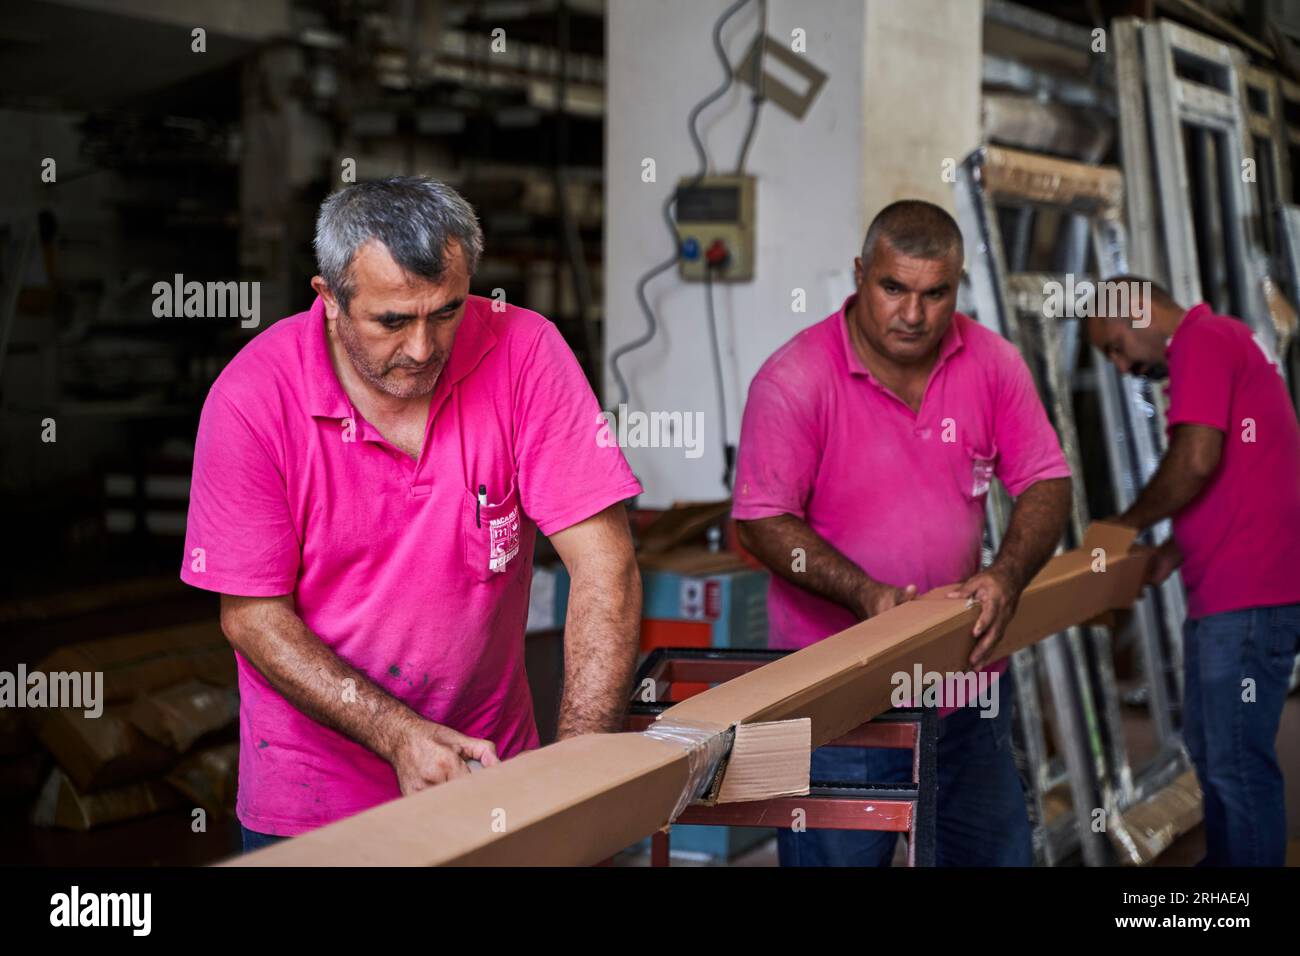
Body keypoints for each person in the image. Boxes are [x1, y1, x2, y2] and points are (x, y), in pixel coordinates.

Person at [181, 177, 643, 851]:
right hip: (313, 801)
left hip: (491, 778)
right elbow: (251, 616)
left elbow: (605, 566)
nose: (424, 349)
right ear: (330, 299)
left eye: (446, 312)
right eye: (393, 321)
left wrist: (577, 772)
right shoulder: (253, 398)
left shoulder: (525, 351)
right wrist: (398, 735)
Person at [733, 199, 1073, 866]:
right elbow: (763, 523)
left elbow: (1046, 481)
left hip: (964, 684)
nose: (913, 315)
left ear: (957, 286)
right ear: (861, 274)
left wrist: (1005, 576)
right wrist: (864, 594)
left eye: (934, 293)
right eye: (894, 288)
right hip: (831, 700)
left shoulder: (993, 364)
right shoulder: (795, 379)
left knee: (992, 857)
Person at [1088, 277, 1300, 866]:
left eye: (1114, 344)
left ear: (1135, 309)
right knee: (1213, 751)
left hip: (1248, 595)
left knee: (1234, 760)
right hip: (1233, 591)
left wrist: (1126, 525)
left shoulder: (1202, 341)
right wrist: (1172, 553)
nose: (1121, 365)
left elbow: (1197, 459)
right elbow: (1239, 476)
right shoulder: (1216, 344)